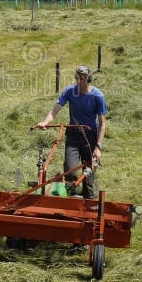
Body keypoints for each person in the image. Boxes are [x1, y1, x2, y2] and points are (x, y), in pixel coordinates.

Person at [37, 65, 107, 199]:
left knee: (88, 176)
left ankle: (89, 201)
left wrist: (98, 147)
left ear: (88, 79)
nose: (79, 81)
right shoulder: (70, 92)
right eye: (77, 78)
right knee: (70, 172)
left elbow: (103, 123)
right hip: (73, 136)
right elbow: (54, 110)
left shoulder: (97, 96)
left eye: (82, 79)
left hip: (90, 137)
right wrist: (46, 122)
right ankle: (71, 199)